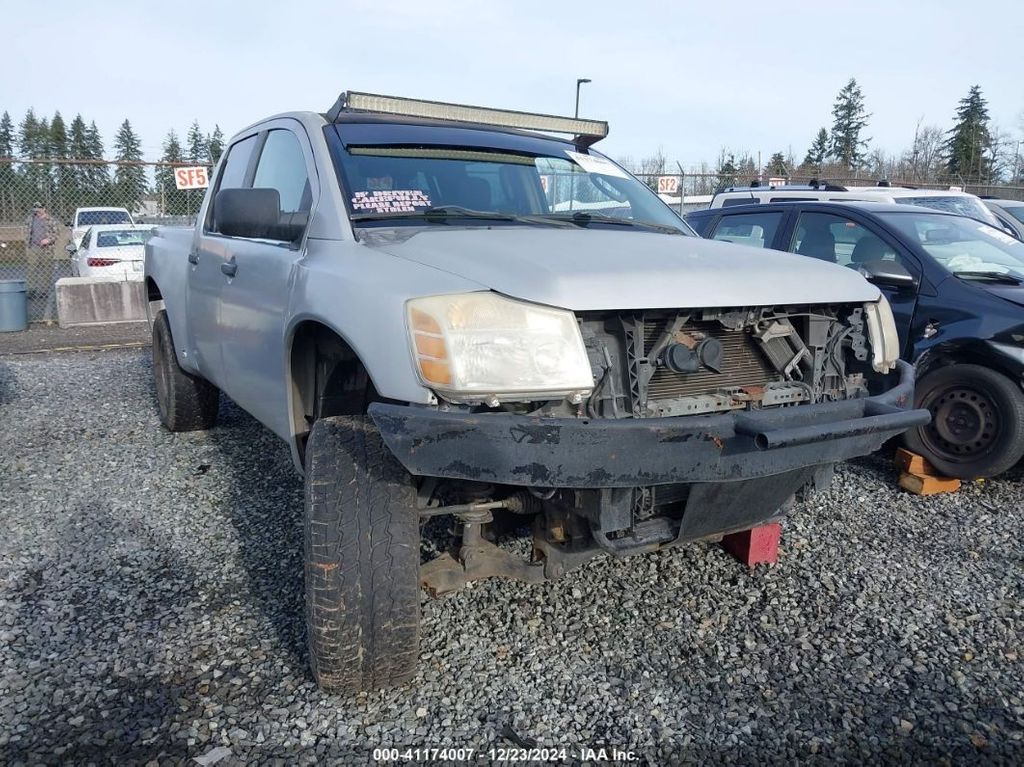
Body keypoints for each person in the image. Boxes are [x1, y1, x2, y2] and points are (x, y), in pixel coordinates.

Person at [25, 202, 57, 299]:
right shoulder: (30, 219)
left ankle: (44, 291)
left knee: (46, 269)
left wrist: (49, 239)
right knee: (32, 269)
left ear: (44, 209)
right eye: (35, 210)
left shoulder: (50, 220)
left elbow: (56, 234)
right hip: (34, 247)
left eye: (39, 210)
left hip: (47, 249)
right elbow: (26, 230)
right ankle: (31, 290)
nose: (37, 212)